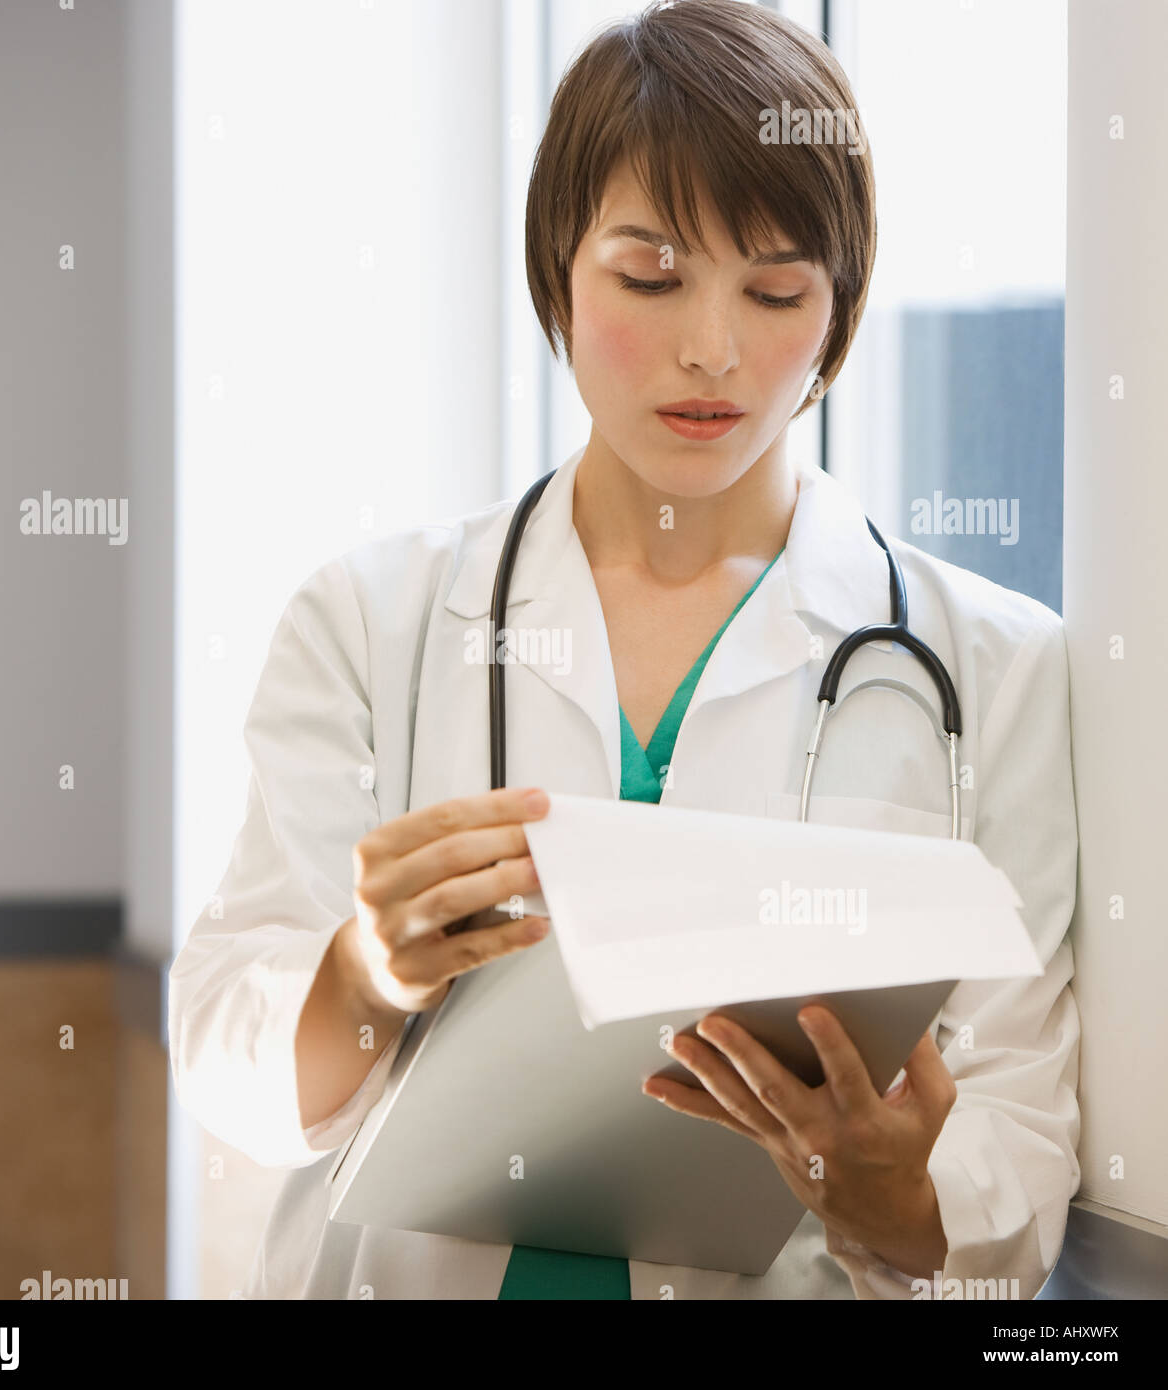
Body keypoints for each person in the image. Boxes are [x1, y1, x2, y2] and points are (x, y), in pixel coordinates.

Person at [168, 0, 1080, 1300]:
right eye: (649, 275)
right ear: (557, 270)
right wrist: (364, 972)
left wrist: (893, 1191)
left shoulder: (995, 670)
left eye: (774, 290)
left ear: (840, 314)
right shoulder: (369, 622)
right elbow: (228, 1057)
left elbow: (1017, 1137)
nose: (712, 348)